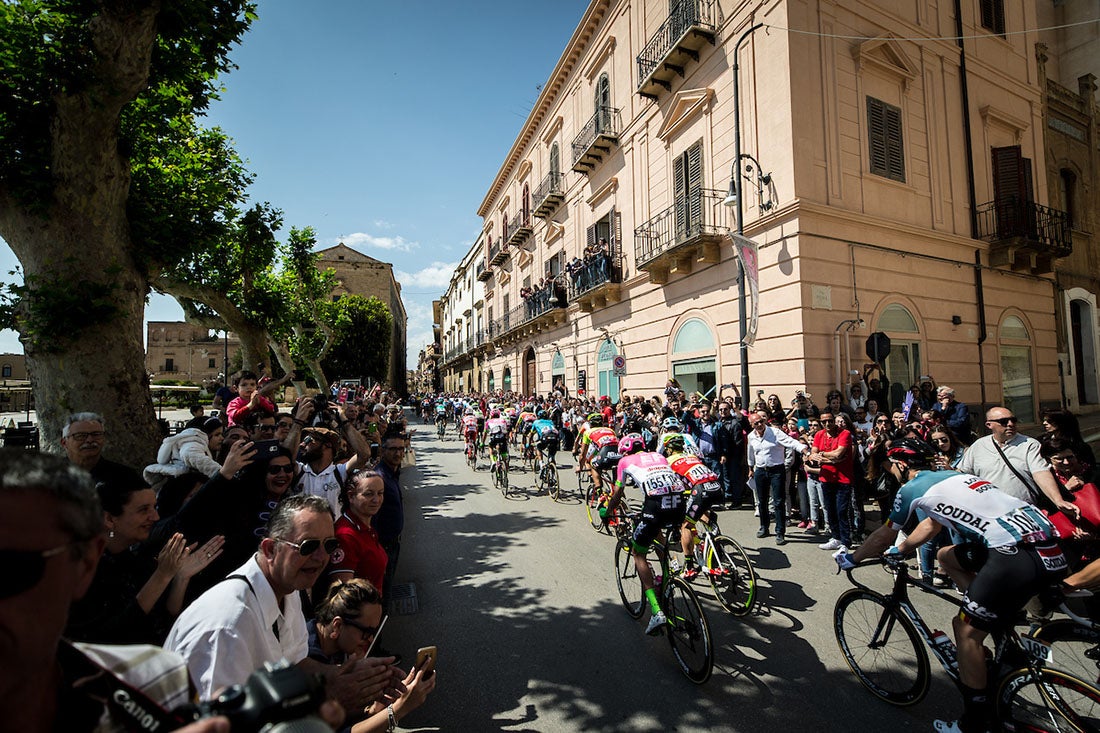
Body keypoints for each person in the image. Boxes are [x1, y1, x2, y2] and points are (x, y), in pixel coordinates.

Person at [838, 439, 1067, 733]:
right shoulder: (956, 476)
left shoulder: (911, 488)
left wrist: (853, 559)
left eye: (892, 466)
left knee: (965, 632)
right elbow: (932, 524)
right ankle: (992, 623)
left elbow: (883, 536)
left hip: (1013, 556)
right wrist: (902, 549)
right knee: (947, 556)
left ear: (901, 464)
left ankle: (974, 723)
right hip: (1048, 546)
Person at [0, 449, 234, 733]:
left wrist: (175, 577)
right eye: (143, 510)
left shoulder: (154, 685)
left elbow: (140, 624)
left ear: (84, 565)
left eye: (13, 568)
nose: (153, 516)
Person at [165, 494, 399, 713]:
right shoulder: (227, 627)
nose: (320, 558)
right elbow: (220, 722)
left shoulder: (288, 588)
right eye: (307, 546)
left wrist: (347, 674)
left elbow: (295, 663)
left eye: (329, 545)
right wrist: (329, 695)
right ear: (270, 549)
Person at [66, 479, 223, 645]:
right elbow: (114, 634)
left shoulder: (135, 557)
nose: (155, 517)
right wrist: (162, 575)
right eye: (143, 510)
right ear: (109, 518)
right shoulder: (81, 568)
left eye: (154, 508)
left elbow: (163, 620)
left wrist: (180, 578)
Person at [308, 580, 436, 732]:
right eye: (366, 632)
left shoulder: (340, 648)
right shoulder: (306, 663)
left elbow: (341, 714)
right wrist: (398, 709)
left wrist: (374, 709)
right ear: (337, 625)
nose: (369, 640)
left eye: (374, 633)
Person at [601, 435, 685, 635]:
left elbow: (618, 493)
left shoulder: (624, 461)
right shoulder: (659, 456)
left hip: (655, 504)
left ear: (625, 450)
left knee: (639, 553)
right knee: (658, 538)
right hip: (678, 502)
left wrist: (608, 512)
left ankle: (656, 611)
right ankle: (667, 581)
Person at [957, 407, 1077, 516]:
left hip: (1025, 512)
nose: (1010, 424)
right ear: (989, 425)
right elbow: (962, 475)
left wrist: (1058, 500)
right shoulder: (978, 446)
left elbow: (1041, 473)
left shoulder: (1030, 444)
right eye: (1004, 421)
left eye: (1013, 420)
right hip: (990, 513)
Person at [747, 411, 810, 544]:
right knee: (762, 501)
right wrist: (750, 468)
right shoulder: (751, 436)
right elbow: (751, 453)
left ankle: (780, 532)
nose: (759, 425)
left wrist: (804, 450)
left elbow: (791, 442)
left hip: (776, 470)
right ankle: (764, 527)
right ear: (751, 425)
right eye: (756, 423)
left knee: (778, 501)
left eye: (761, 421)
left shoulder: (775, 433)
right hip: (760, 471)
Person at [327, 470, 388, 594]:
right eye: (369, 494)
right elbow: (344, 594)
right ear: (351, 496)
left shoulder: (365, 526)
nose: (376, 500)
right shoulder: (345, 536)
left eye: (380, 493)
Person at [810, 412, 856, 554]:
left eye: (830, 421)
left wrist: (822, 455)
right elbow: (812, 453)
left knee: (842, 511)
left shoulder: (845, 433)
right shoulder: (819, 435)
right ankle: (836, 537)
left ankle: (846, 542)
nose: (827, 424)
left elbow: (838, 454)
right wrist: (823, 457)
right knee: (829, 509)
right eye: (824, 422)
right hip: (826, 477)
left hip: (843, 479)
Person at [61, 412, 143, 486]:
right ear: (64, 443)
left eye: (96, 434)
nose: (90, 440)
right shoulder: (51, 476)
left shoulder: (125, 477)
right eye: (80, 436)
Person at [373, 435, 407, 606]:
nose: (398, 453)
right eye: (393, 449)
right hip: (383, 546)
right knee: (382, 594)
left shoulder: (393, 473)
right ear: (382, 451)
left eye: (401, 449)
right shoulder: (380, 478)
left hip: (392, 543)